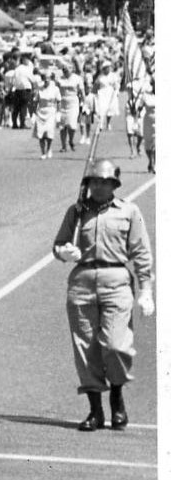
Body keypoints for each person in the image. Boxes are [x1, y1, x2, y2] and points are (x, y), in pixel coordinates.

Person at [52, 160, 154, 431]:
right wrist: (64, 252)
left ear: (113, 185)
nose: (99, 186)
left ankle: (117, 396)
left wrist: (146, 289)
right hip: (82, 283)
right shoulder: (76, 212)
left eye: (104, 182)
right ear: (87, 185)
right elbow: (59, 244)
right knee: (86, 348)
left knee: (116, 344)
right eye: (94, 181)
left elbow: (141, 252)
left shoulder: (129, 211)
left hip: (116, 281)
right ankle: (95, 410)